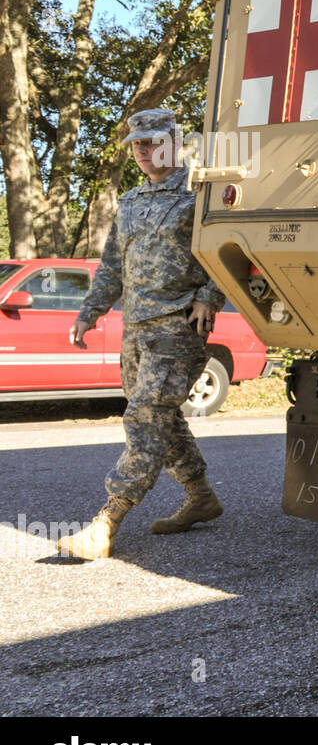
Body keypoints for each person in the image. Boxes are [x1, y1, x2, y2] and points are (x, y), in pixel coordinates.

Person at [57, 109, 226, 559]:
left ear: (173, 142)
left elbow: (224, 247)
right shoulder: (130, 200)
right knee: (161, 418)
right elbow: (113, 264)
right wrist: (90, 312)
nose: (143, 151)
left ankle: (105, 522)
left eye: (152, 142)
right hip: (136, 326)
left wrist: (209, 294)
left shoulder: (199, 191)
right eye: (137, 144)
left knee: (144, 417)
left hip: (178, 325)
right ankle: (201, 496)